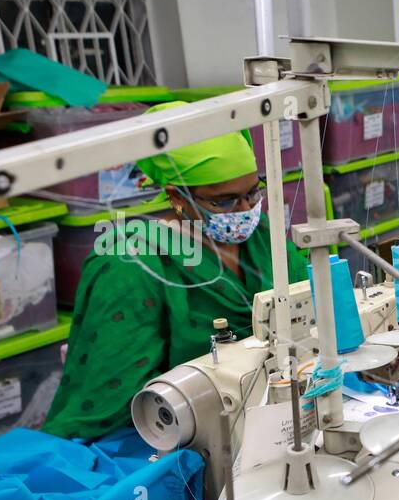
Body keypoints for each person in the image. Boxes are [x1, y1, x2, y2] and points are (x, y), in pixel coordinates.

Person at [43, 105, 308, 440]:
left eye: (252, 193)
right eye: (224, 201)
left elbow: (307, 309)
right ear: (177, 197)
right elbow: (120, 389)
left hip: (270, 403)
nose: (245, 210)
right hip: (173, 428)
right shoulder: (132, 264)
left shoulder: (262, 238)